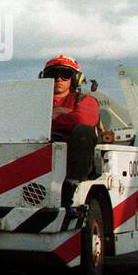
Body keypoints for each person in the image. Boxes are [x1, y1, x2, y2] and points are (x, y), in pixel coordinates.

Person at [43, 54, 100, 183]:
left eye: (65, 74)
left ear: (75, 79)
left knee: (84, 131)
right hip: (37, 158)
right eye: (53, 74)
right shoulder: (34, 103)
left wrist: (46, 118)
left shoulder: (86, 100)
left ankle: (73, 183)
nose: (58, 78)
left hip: (71, 161)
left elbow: (83, 120)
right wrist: (65, 114)